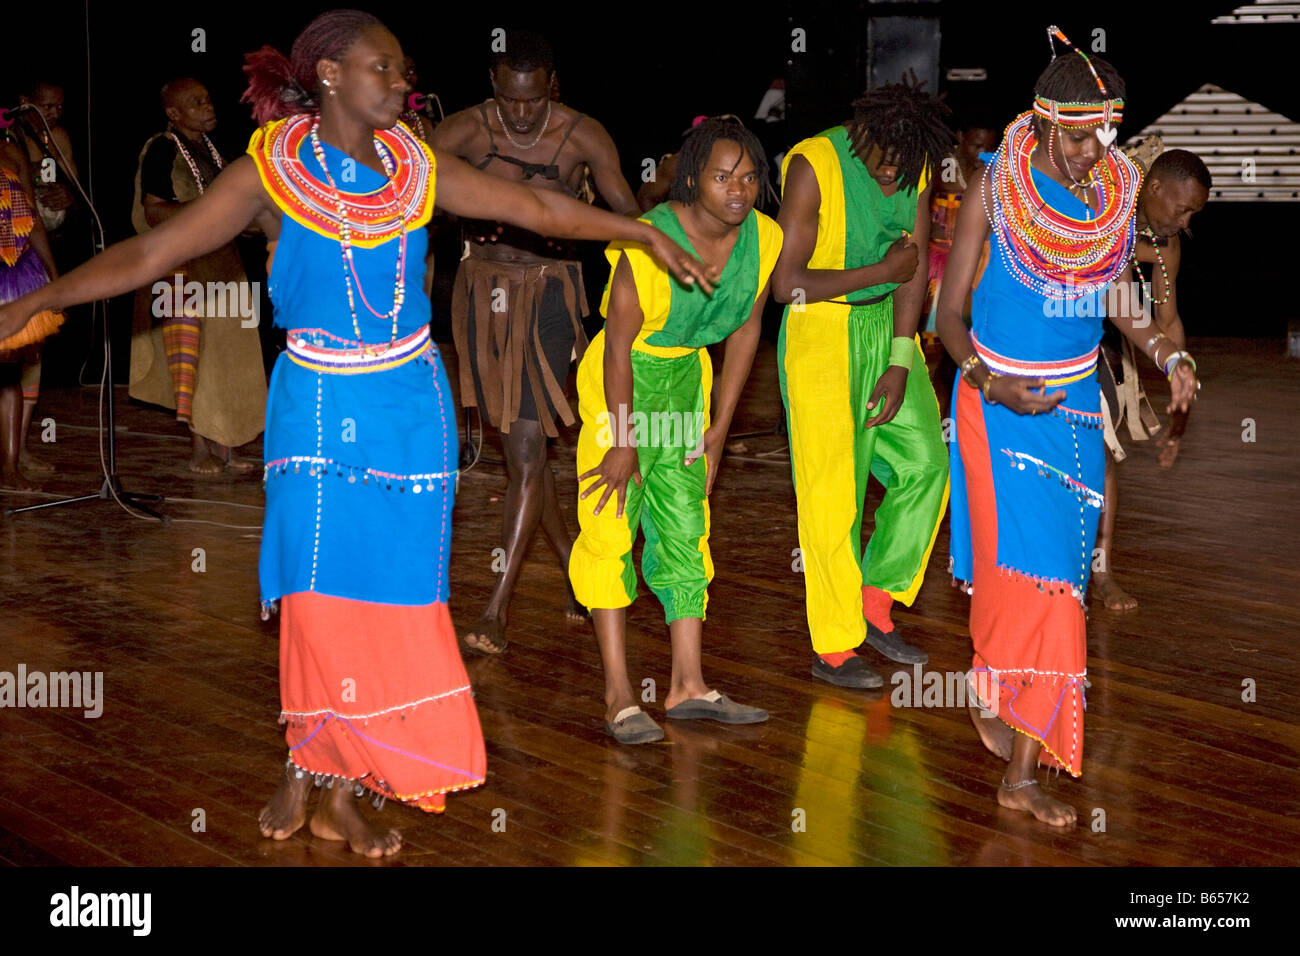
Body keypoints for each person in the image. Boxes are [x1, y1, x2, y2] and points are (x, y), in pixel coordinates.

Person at [0, 9, 713, 856]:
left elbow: (533, 206)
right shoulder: (271, 173)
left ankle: (335, 785)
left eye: (404, 69)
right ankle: (308, 759)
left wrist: (635, 229)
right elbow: (151, 257)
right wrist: (41, 298)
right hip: (314, 402)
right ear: (332, 74)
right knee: (316, 598)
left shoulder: (418, 167)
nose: (403, 82)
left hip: (410, 403)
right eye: (384, 68)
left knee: (395, 600)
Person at [937, 28, 1198, 827]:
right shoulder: (994, 189)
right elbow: (948, 317)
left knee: (1056, 583)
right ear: (1046, 122)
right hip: (999, 407)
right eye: (1082, 136)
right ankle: (1021, 772)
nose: (1096, 151)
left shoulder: (1114, 193)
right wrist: (991, 384)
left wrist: (1164, 351)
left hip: (1077, 411)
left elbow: (1115, 299)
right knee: (1047, 591)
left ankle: (1002, 693)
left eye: (1106, 134)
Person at [430, 30, 644, 655]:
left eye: (534, 102)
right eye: (510, 102)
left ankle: (497, 607)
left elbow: (627, 215)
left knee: (525, 445)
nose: (522, 116)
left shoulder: (584, 134)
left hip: (550, 290)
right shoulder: (462, 134)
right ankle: (576, 571)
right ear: (493, 86)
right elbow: (408, 202)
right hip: (478, 291)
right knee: (522, 448)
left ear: (550, 86)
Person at [569, 118, 781, 743]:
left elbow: (745, 329)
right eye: (722, 177)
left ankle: (687, 684)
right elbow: (617, 348)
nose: (737, 190)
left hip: (688, 382)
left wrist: (719, 428)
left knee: (686, 526)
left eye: (748, 177)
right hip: (624, 383)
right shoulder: (650, 240)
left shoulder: (762, 238)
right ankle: (618, 695)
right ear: (693, 178)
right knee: (609, 525)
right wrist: (623, 440)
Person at [772, 77, 953, 690]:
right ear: (861, 137)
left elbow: (914, 266)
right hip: (820, 332)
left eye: (906, 169)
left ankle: (874, 603)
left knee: (927, 465)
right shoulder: (813, 165)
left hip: (884, 329)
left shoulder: (915, 162)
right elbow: (785, 285)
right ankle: (833, 644)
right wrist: (881, 269)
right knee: (834, 495)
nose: (892, 178)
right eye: (882, 165)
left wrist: (902, 359)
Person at [128, 77, 267, 473]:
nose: (208, 107)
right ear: (174, 114)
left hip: (223, 264)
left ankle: (225, 443)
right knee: (190, 359)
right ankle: (199, 447)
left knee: (232, 356)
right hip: (182, 269)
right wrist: (216, 215)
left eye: (208, 99)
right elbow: (154, 211)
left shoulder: (212, 150)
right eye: (196, 102)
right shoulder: (160, 149)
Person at [1091, 148, 1210, 610]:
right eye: (1182, 209)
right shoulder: (1104, 205)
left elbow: (1167, 317)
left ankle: (1101, 575)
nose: (1183, 222)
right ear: (1154, 189)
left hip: (1106, 345)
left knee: (1102, 455)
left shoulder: (1167, 248)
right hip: (1052, 329)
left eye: (1193, 214)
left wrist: (1182, 372)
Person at [0, 134, 60, 489]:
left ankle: (9, 467)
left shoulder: (9, 150)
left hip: (11, 269)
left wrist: (53, 277)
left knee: (8, 370)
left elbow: (31, 216)